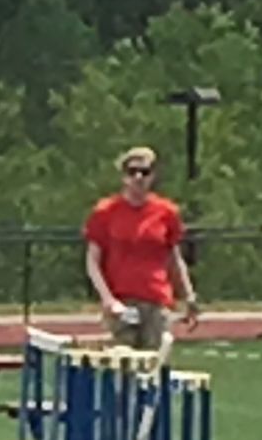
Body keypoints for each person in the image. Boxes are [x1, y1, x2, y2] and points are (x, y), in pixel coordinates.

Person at [84, 146, 200, 350]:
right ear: (124, 177)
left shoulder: (166, 212)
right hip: (122, 301)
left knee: (153, 365)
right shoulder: (105, 212)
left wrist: (188, 296)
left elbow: (174, 258)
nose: (138, 177)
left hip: (157, 300)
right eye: (132, 171)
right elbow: (93, 260)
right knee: (123, 365)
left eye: (144, 172)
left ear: (153, 176)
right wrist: (108, 299)